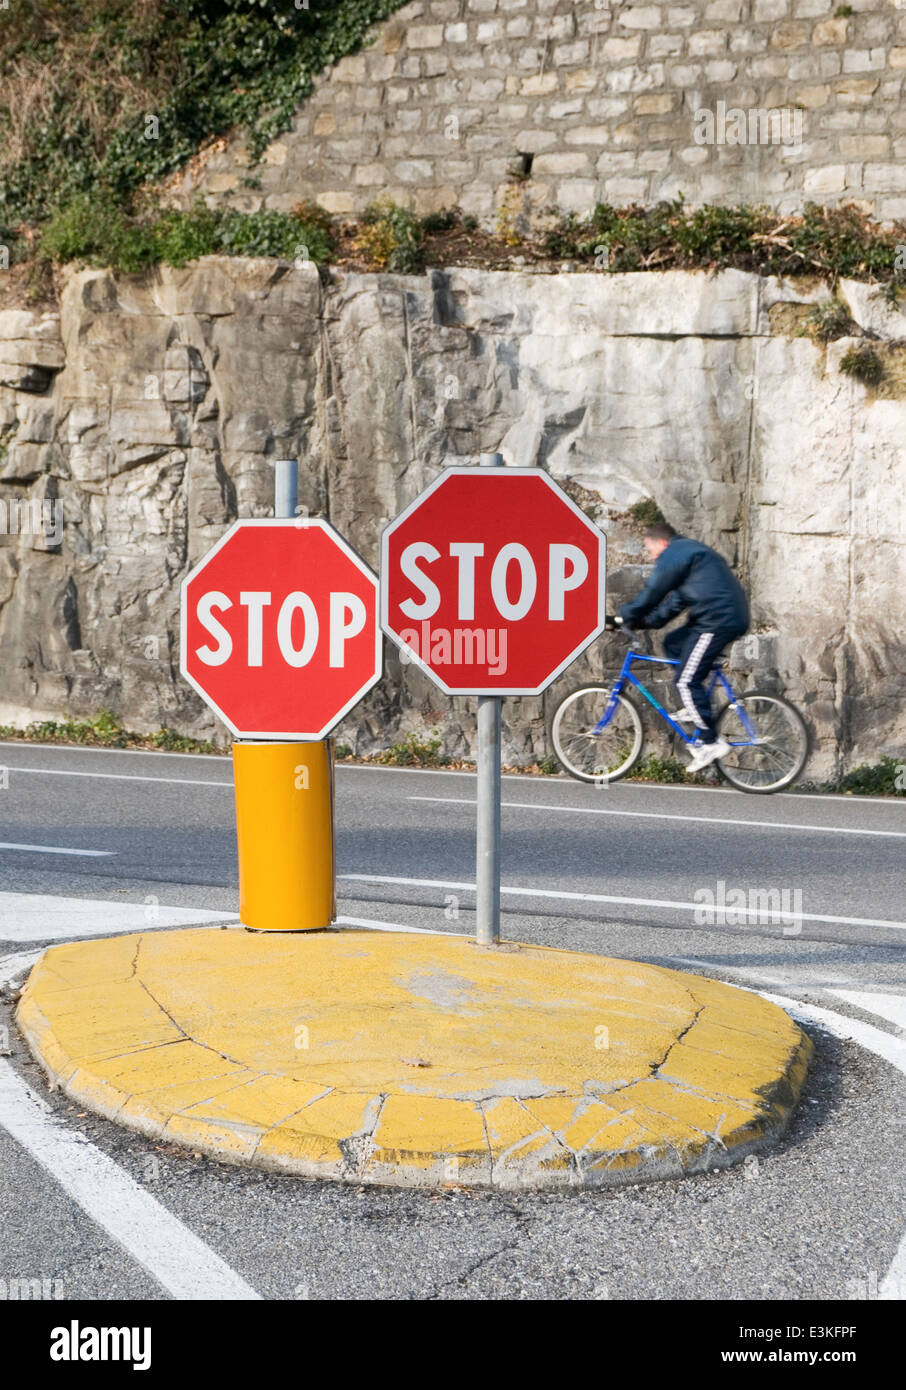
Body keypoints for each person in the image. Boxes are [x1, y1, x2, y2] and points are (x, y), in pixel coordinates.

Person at [611, 523, 750, 772]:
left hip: (718, 621)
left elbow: (654, 591)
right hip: (716, 617)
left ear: (661, 542)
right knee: (673, 642)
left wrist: (625, 615)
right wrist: (642, 622)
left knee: (685, 681)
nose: (651, 556)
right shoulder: (688, 558)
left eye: (650, 549)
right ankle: (694, 705)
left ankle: (710, 742)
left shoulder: (674, 554)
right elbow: (671, 606)